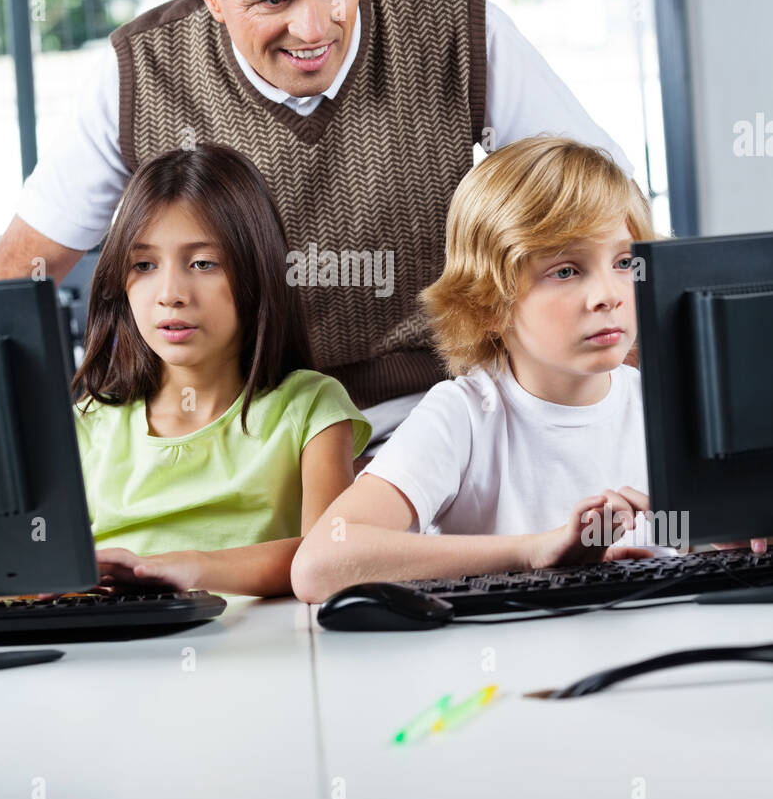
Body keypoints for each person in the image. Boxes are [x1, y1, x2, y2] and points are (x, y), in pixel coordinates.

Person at [0, 0, 636, 450]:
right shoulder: (142, 68)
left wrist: (637, 420)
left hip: (437, 406)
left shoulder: (456, 29)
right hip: (239, 423)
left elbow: (612, 213)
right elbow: (19, 275)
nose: (314, 26)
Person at [290, 136, 769, 604]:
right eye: (566, 270)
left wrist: (727, 541)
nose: (610, 295)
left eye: (624, 262)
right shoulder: (463, 416)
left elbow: (701, 545)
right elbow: (318, 566)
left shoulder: (669, 404)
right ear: (489, 304)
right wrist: (535, 551)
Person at [72, 143, 371, 598]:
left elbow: (329, 558)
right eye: (144, 265)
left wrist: (194, 568)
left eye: (203, 263)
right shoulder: (87, 425)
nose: (170, 293)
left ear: (256, 274)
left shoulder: (311, 408)